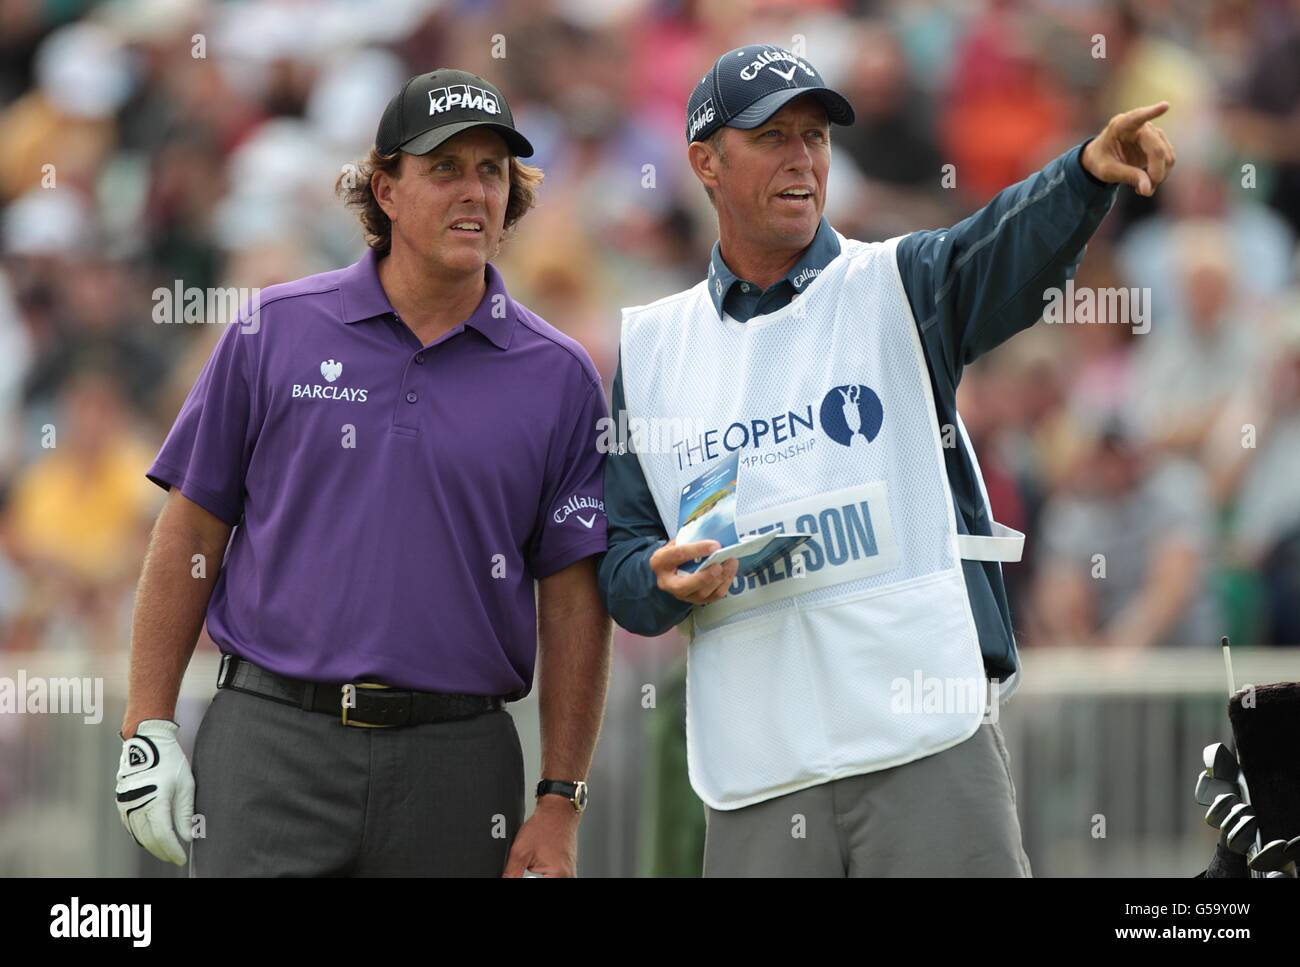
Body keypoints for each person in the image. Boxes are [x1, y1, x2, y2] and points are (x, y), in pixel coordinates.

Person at [599, 44, 1174, 876]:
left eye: (816, 137)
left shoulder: (894, 282)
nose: (803, 158)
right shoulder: (652, 348)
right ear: (704, 162)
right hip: (760, 772)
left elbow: (1000, 251)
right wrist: (660, 578)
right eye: (772, 137)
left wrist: (1084, 175)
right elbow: (622, 561)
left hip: (923, 743)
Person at [115, 69, 612, 877]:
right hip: (270, 744)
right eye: (445, 168)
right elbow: (191, 529)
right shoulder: (271, 331)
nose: (474, 192)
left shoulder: (559, 376)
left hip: (458, 763)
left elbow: (573, 597)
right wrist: (150, 725)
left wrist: (561, 797)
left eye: (492, 171)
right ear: (384, 188)